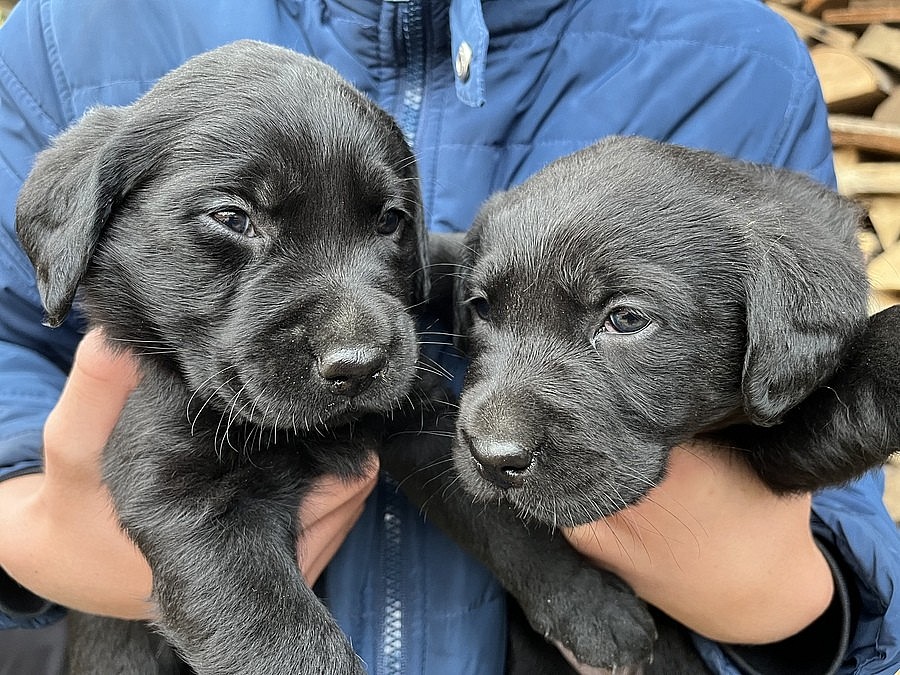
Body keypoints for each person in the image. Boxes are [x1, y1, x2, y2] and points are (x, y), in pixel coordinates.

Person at [0, 0, 897, 673]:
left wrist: (787, 603)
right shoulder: (72, 34)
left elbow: (822, 435)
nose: (356, 335)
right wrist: (27, 528)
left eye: (387, 225)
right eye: (236, 217)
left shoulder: (735, 64)